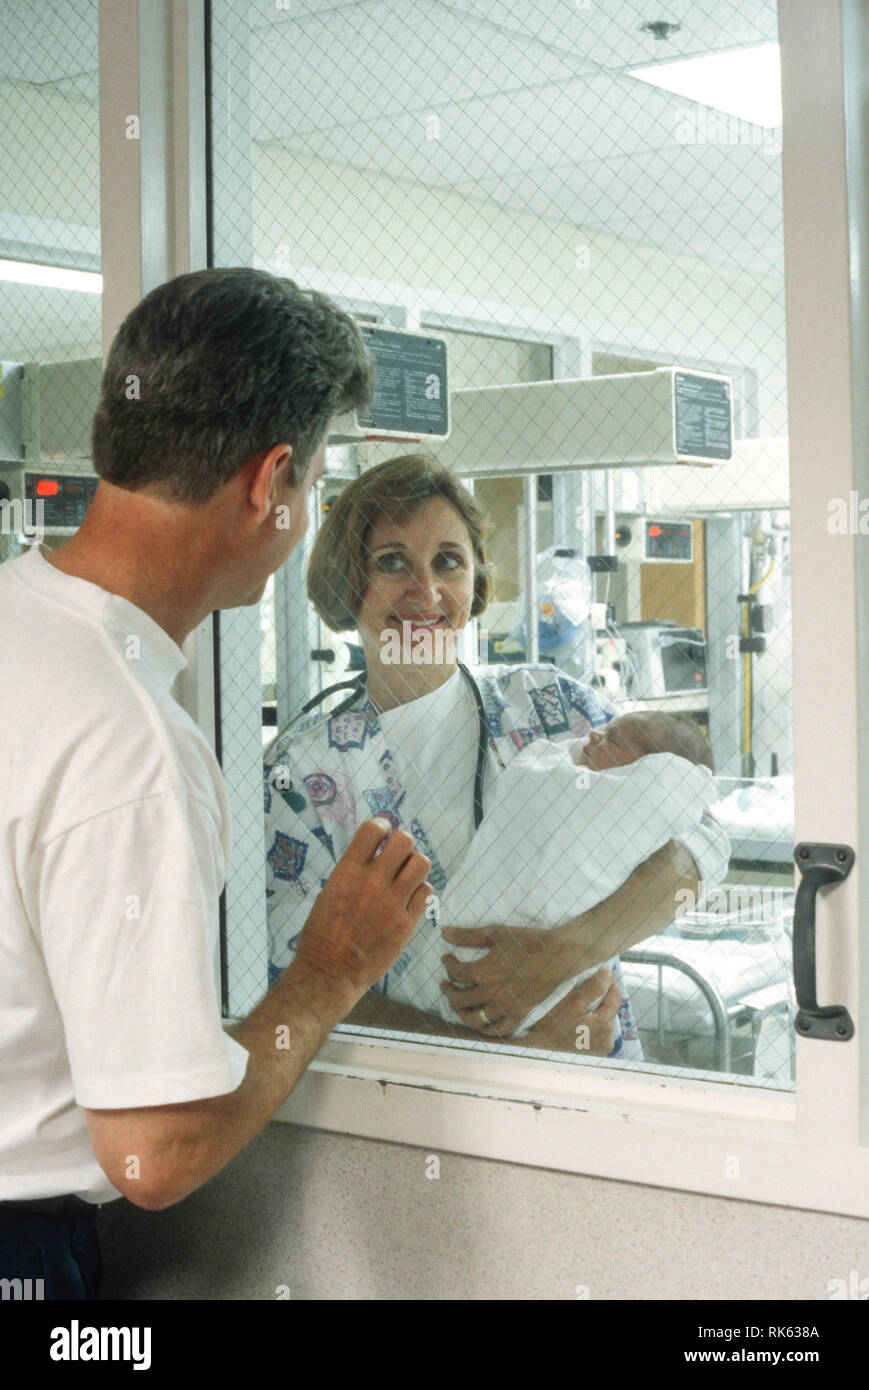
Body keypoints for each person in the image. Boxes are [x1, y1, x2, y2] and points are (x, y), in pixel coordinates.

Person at [0, 268, 433, 1299]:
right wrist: (328, 973)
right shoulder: (129, 737)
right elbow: (154, 1155)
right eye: (318, 477)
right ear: (269, 480)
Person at [265, 454, 730, 1053]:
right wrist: (509, 1058)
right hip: (416, 1108)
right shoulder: (301, 780)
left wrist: (567, 953)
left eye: (448, 563)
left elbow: (706, 838)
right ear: (345, 584)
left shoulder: (549, 707)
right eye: (391, 562)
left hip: (598, 1071)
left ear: (475, 584)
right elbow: (294, 986)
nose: (426, 590)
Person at [415, 712, 721, 1036]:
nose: (591, 735)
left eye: (611, 739)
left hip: (566, 1013)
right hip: (447, 991)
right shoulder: (573, 768)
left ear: (648, 771)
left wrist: (569, 949)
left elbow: (707, 843)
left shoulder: (627, 797)